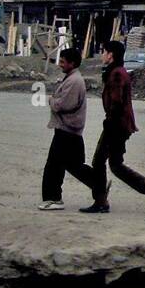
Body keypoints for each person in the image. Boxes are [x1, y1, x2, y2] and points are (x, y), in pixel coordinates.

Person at [78, 40, 145, 214]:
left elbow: (116, 102)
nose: (102, 54)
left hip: (116, 126)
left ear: (111, 55)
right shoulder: (116, 71)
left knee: (98, 162)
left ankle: (101, 201)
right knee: (116, 165)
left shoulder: (117, 74)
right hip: (119, 125)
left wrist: (109, 124)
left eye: (104, 51)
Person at [38, 48, 94, 211]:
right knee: (73, 165)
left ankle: (52, 198)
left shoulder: (74, 81)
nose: (60, 65)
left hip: (67, 130)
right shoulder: (71, 78)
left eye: (63, 62)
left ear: (72, 63)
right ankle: (99, 183)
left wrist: (51, 101)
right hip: (69, 129)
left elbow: (64, 105)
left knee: (53, 166)